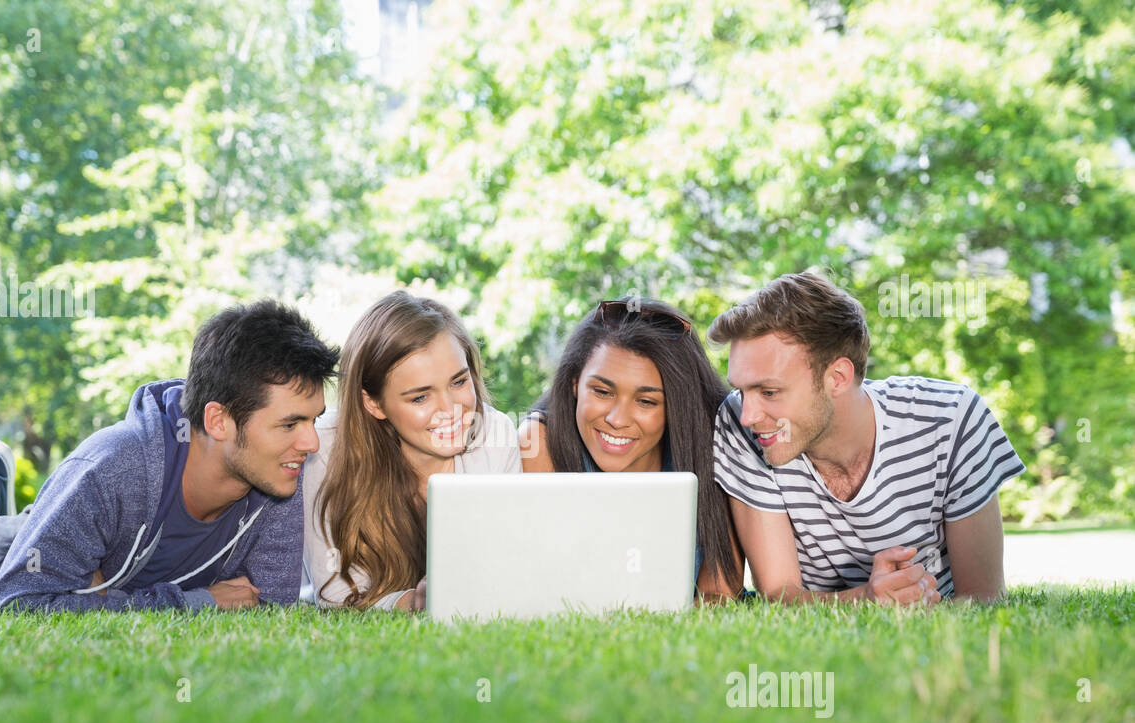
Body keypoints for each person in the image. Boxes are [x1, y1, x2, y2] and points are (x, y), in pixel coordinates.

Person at [0, 299, 339, 611]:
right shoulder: (111, 468)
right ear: (219, 421)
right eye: (289, 424)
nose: (311, 443)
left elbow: (267, 607)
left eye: (312, 420)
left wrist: (105, 598)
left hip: (72, 549)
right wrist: (196, 602)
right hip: (11, 550)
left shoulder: (279, 474)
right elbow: (16, 604)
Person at [706, 271, 1025, 605]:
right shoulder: (739, 424)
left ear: (838, 377)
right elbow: (780, 594)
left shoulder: (950, 418)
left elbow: (982, 600)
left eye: (769, 391)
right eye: (742, 390)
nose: (749, 415)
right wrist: (867, 598)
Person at [303, 290, 520, 610]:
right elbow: (335, 595)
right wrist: (413, 602)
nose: (450, 410)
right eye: (421, 397)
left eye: (459, 382)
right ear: (373, 403)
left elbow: (508, 571)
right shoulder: (323, 449)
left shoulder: (495, 434)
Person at [516, 297, 744, 600]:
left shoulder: (711, 443)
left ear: (676, 406)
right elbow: (545, 588)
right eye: (602, 391)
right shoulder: (540, 441)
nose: (617, 420)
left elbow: (719, 595)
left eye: (646, 401)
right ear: (574, 383)